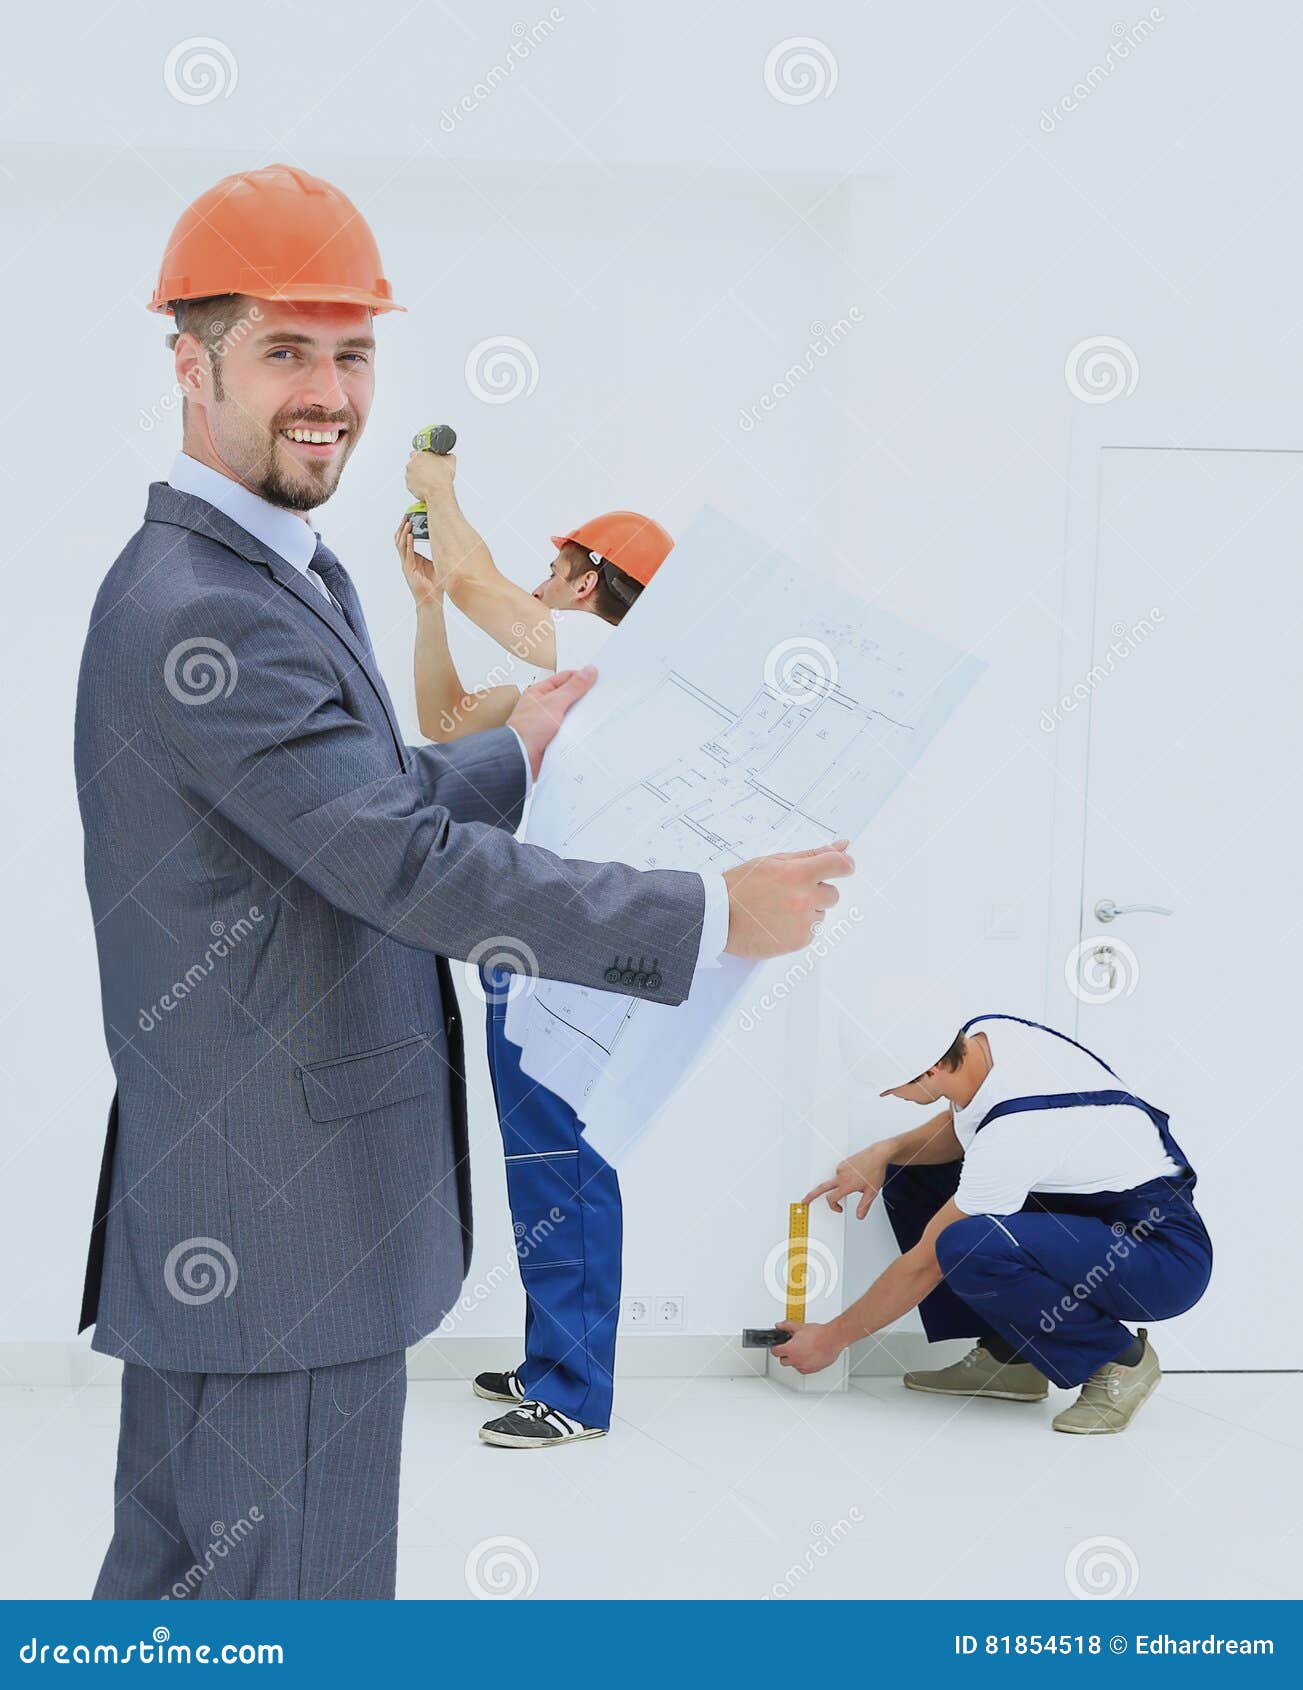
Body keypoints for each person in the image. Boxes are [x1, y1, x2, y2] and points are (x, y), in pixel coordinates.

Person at [76, 163, 855, 1600]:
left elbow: (340, 810)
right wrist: (706, 916)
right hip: (285, 1238)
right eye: (284, 350)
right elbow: (403, 868)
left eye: (353, 349)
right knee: (294, 1609)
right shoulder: (214, 605)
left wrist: (523, 746)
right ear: (190, 364)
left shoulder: (264, 571)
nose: (330, 389)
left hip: (234, 1222)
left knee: (177, 1598)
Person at [395, 465, 674, 1448]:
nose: (538, 581)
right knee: (540, 1160)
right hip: (532, 945)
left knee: (564, 1161)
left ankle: (572, 1391)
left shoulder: (617, 670)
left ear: (589, 579)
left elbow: (483, 587)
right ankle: (551, 1356)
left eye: (554, 568)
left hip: (575, 955)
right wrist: (428, 607)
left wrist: (441, 491)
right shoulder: (571, 685)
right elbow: (443, 723)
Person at [776, 1009, 1212, 1434]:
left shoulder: (1017, 1134)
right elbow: (970, 1122)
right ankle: (1012, 1356)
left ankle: (1119, 1361)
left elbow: (925, 1264)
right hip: (1092, 1215)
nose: (890, 1097)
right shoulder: (987, 1034)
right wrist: (886, 1151)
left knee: (967, 1245)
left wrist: (829, 1340)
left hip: (1160, 1255)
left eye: (892, 1088)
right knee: (913, 1173)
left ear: (929, 1070)